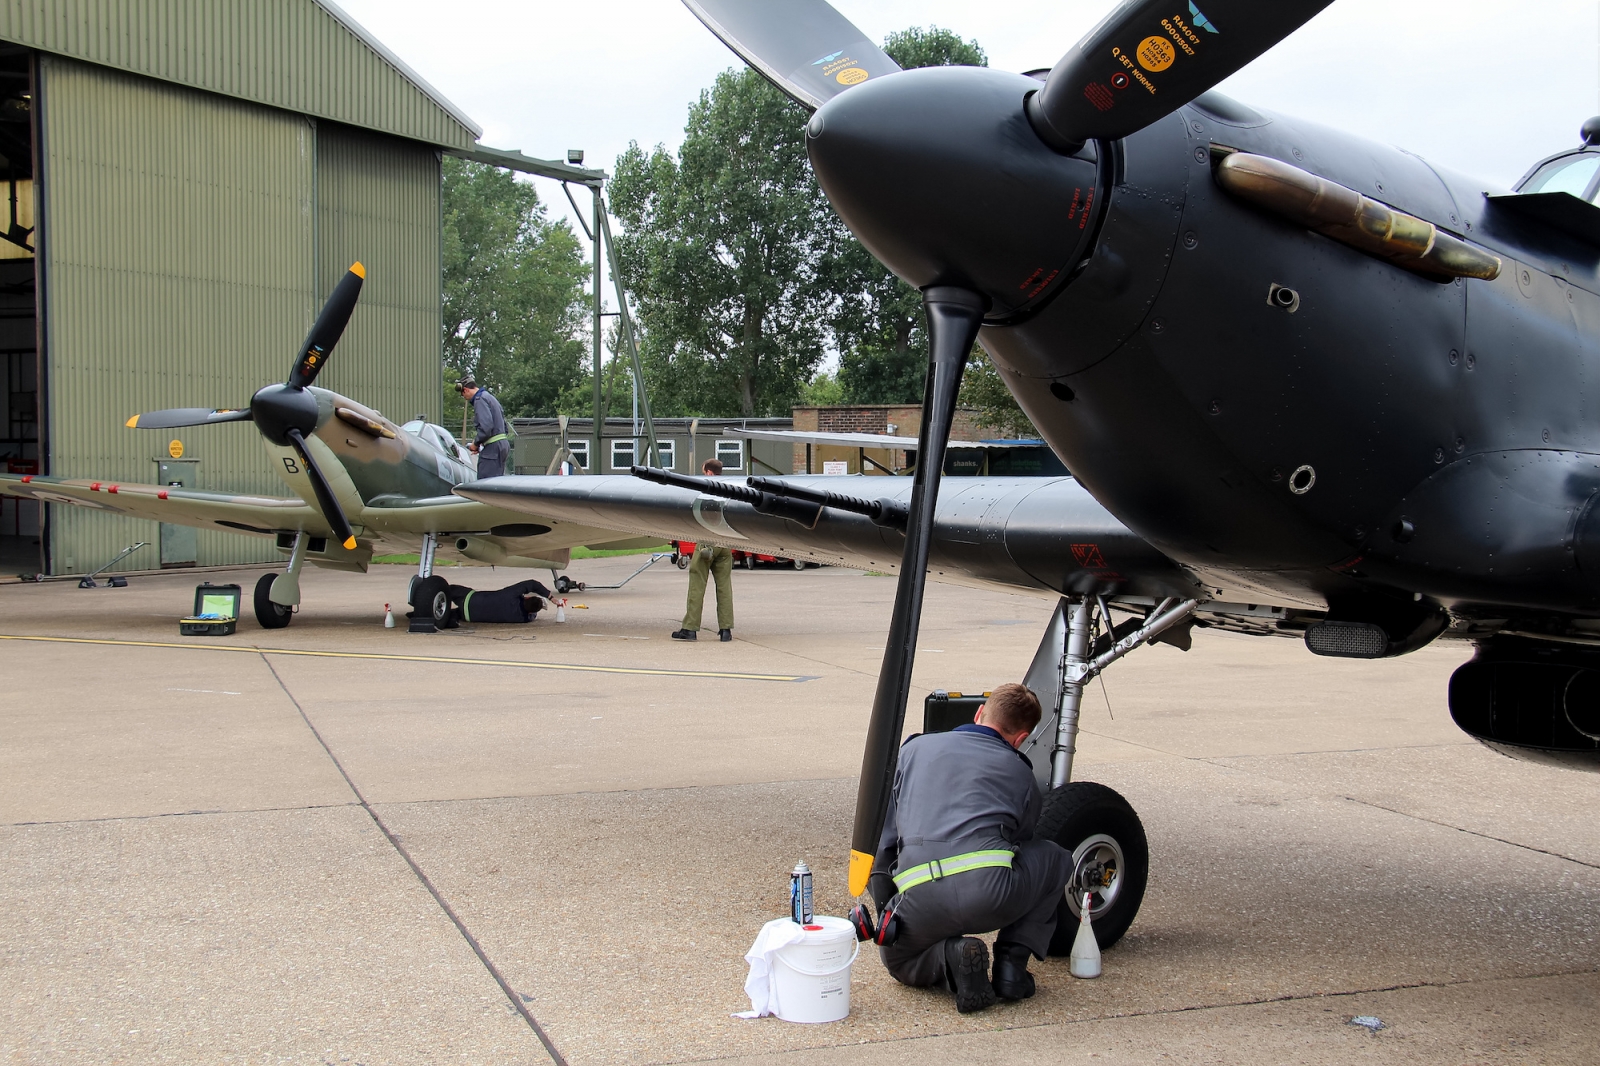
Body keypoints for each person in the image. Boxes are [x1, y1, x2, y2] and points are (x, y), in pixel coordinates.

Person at [870, 683, 1072, 1014]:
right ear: (1021, 739)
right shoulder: (1021, 772)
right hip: (989, 895)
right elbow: (1021, 841)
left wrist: (886, 914)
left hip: (919, 895)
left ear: (979, 713)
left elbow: (885, 841)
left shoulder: (913, 750)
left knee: (901, 961)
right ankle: (1011, 969)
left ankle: (950, 956)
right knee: (1053, 858)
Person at [670, 458, 734, 642]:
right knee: (724, 587)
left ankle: (690, 628)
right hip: (726, 542)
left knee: (697, 583)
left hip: (708, 541)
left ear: (708, 472)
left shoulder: (706, 487)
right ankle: (726, 629)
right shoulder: (728, 488)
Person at [457, 376, 511, 479]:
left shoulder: (479, 399)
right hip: (502, 444)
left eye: (463, 394)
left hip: (493, 448)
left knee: (485, 484)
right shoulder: (490, 397)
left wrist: (475, 444)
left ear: (466, 390)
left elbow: (486, 427)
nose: (464, 397)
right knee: (497, 482)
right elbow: (504, 426)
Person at [445, 578, 553, 625]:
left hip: (469, 599)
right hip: (468, 616)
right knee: (452, 614)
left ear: (528, 598)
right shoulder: (522, 619)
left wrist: (550, 596)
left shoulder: (511, 595)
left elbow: (532, 583)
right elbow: (532, 616)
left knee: (447, 589)